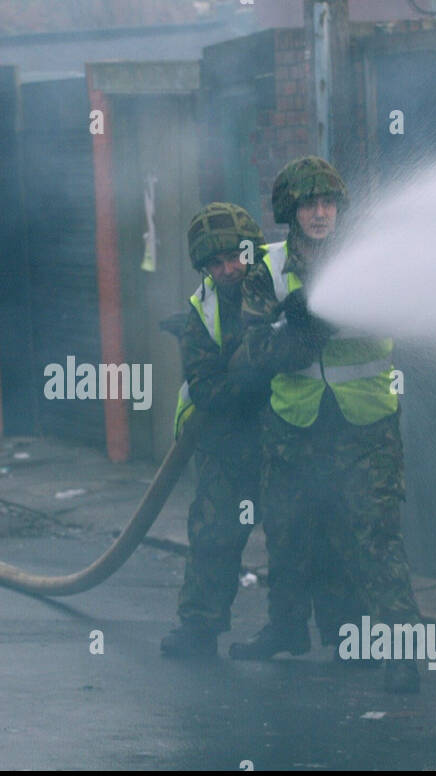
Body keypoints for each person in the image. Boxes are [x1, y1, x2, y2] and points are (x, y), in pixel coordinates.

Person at [227, 156, 424, 693]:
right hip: (294, 427)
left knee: (375, 536)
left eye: (328, 203)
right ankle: (286, 628)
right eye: (309, 204)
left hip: (367, 427)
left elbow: (399, 314)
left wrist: (322, 316)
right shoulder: (266, 267)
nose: (320, 212)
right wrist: (300, 331)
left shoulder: (368, 261)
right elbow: (255, 349)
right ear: (290, 210)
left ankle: (402, 651)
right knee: (287, 532)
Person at [161, 203, 282, 658]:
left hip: (284, 433)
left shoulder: (279, 278)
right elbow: (206, 387)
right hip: (226, 442)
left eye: (236, 256)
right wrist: (249, 378)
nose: (229, 269)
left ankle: (290, 628)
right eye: (216, 263)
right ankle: (199, 628)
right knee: (213, 533)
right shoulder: (203, 309)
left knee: (296, 533)